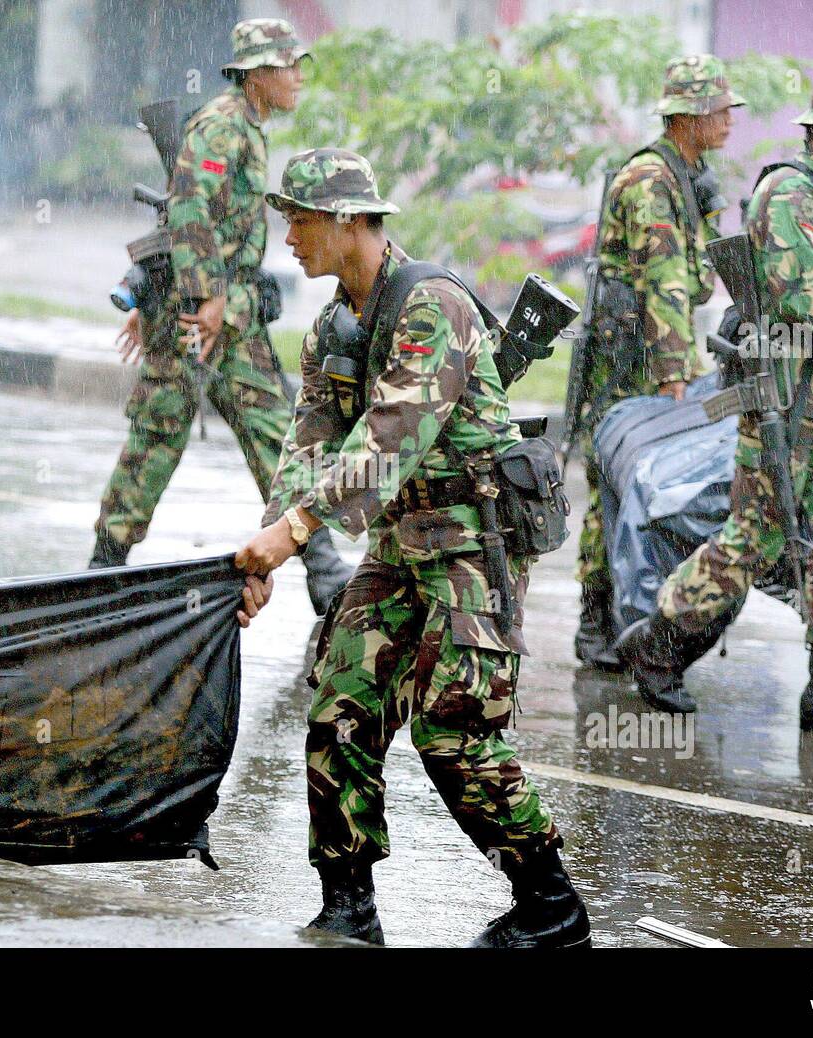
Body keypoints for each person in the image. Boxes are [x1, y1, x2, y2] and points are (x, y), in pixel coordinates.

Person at [233, 148, 591, 948]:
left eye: (299, 219)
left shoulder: (432, 305)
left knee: (454, 729)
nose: (287, 237)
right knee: (341, 704)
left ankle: (551, 910)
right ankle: (348, 907)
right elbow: (309, 445)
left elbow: (390, 438)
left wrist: (293, 534)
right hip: (402, 537)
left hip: (475, 536)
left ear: (350, 222)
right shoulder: (334, 325)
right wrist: (268, 552)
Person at [618, 67, 813, 734]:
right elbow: (801, 295)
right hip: (783, 405)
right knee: (752, 541)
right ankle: (657, 647)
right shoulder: (786, 194)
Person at [90, 17, 352, 613]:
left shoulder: (247, 128)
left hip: (230, 317)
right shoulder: (221, 127)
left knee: (279, 436)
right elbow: (187, 208)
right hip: (200, 317)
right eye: (289, 66)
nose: (297, 78)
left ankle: (325, 573)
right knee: (157, 438)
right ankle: (101, 572)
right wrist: (196, 296)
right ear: (258, 73)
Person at [574, 54, 744, 667]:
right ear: (690, 115)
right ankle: (598, 621)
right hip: (632, 360)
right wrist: (674, 373)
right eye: (720, 109)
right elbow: (666, 282)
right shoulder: (651, 179)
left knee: (650, 483)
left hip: (653, 349)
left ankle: (636, 611)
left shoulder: (686, 174)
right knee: (617, 481)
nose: (729, 120)